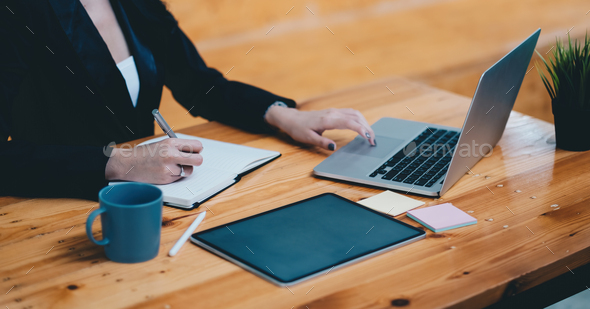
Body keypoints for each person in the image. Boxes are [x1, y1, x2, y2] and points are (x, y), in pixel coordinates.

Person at [0, 0, 375, 200]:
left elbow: (198, 84)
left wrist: (282, 115)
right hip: (56, 207)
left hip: (158, 199)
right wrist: (119, 163)